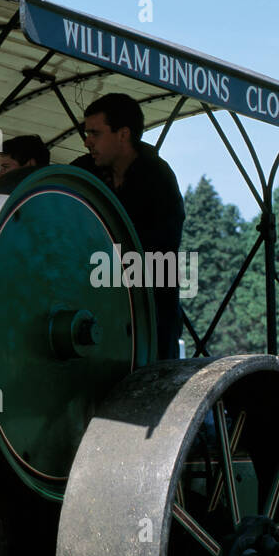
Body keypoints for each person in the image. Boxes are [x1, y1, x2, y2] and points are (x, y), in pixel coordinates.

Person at [72, 93, 184, 360]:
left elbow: (159, 255)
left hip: (151, 318)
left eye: (95, 133)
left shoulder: (159, 179)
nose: (87, 142)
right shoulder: (84, 171)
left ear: (123, 135)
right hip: (94, 311)